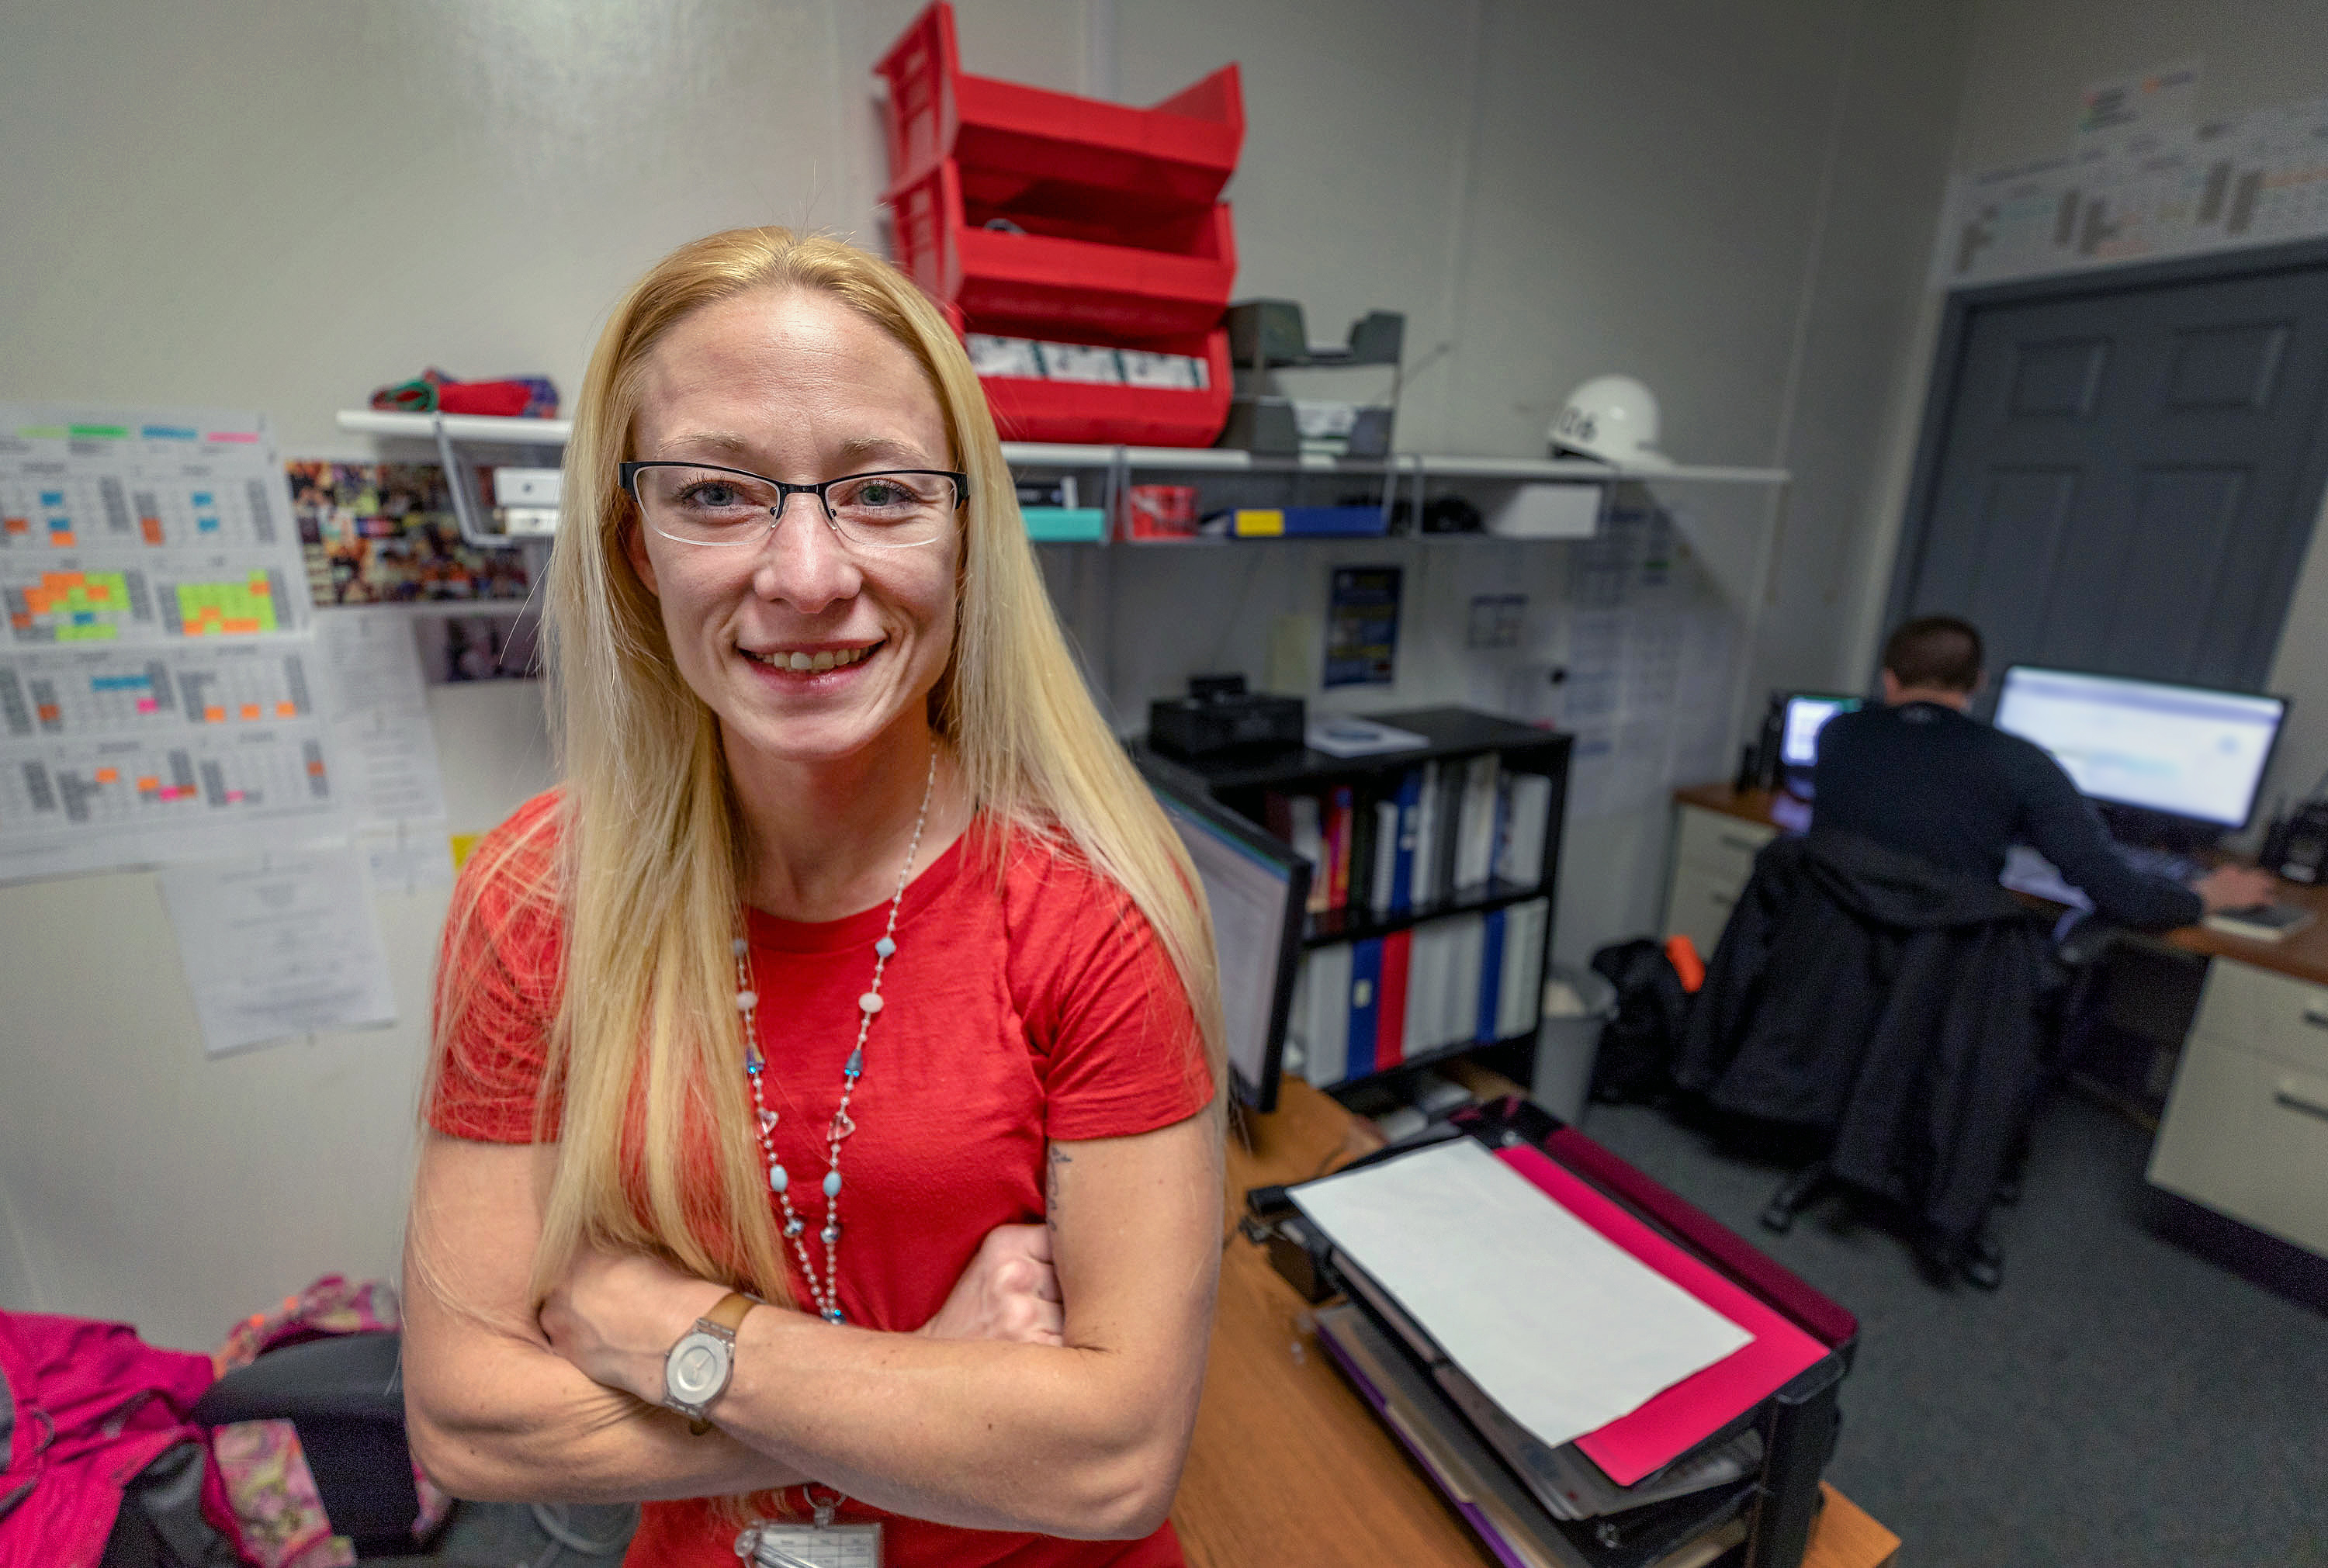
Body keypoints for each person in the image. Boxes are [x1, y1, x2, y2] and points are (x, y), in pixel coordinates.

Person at [401, 227, 1227, 1568]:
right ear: (633, 545)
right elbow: (469, 1423)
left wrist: (667, 1335)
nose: (804, 578)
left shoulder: (1095, 904)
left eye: (884, 492)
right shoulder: (535, 898)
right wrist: (931, 1381)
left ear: (966, 532)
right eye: (717, 495)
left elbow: (1113, 1461)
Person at [1813, 615, 2276, 928]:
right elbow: (2118, 892)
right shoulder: (2018, 763)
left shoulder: (1838, 733)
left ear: (1889, 678)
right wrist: (2208, 895)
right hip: (1931, 978)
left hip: (1820, 964)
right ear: (1978, 682)